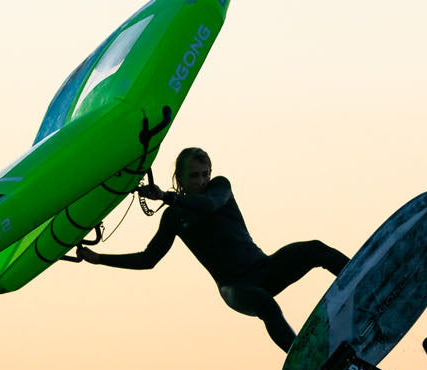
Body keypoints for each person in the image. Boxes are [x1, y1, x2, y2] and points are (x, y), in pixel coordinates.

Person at [68, 148, 348, 352]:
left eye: (205, 174)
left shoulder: (219, 187)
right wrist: (99, 259)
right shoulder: (174, 216)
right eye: (194, 176)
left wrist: (167, 196)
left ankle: (361, 279)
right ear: (179, 177)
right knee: (265, 304)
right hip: (235, 287)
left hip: (263, 268)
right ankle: (305, 358)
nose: (202, 180)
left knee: (314, 249)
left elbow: (209, 205)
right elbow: (148, 259)